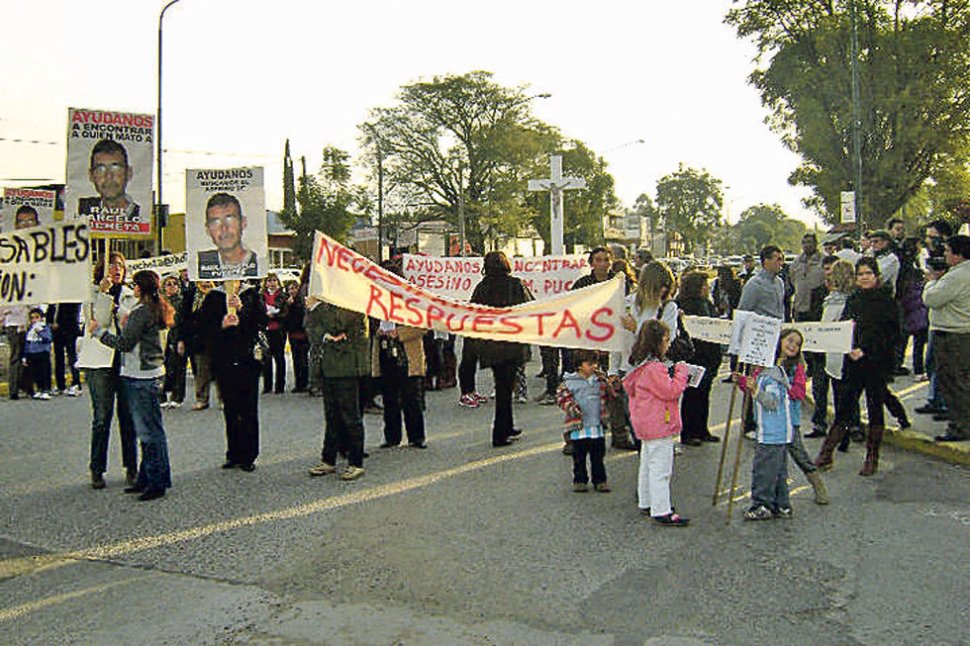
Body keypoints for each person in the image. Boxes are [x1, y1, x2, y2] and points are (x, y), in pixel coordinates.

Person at [88, 270, 172, 501]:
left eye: (134, 284)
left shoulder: (142, 311)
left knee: (149, 433)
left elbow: (124, 343)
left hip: (141, 375)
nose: (132, 287)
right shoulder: (153, 308)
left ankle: (156, 482)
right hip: (151, 372)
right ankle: (146, 477)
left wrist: (98, 332)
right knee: (148, 430)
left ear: (140, 288)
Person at [815, 257, 900, 475]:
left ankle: (872, 457)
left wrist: (866, 350)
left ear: (876, 276)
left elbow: (891, 334)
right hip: (853, 362)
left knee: (875, 409)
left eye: (868, 273)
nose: (864, 278)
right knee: (844, 408)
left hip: (876, 363)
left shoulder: (887, 301)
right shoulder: (853, 299)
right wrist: (849, 347)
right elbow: (845, 326)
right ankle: (826, 453)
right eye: (860, 274)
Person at [76, 251, 138, 490]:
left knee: (128, 417)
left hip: (125, 360)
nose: (116, 269)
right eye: (111, 265)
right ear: (101, 269)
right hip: (100, 362)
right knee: (102, 417)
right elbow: (98, 322)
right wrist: (103, 295)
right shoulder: (91, 293)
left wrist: (118, 307)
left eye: (120, 265)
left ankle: (131, 467)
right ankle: (97, 468)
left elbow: (130, 323)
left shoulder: (130, 295)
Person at [623, 319, 690, 526]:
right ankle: (661, 509)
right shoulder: (655, 368)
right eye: (666, 340)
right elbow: (671, 391)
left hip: (645, 422)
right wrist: (682, 372)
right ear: (657, 342)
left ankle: (647, 501)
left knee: (647, 464)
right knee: (661, 468)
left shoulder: (640, 366)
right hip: (660, 422)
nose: (668, 344)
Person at [198, 281, 267, 472]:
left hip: (248, 359)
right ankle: (233, 453)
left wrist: (242, 310)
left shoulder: (251, 294)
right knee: (230, 408)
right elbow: (203, 327)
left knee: (248, 408)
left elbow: (262, 322)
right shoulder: (213, 296)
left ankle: (249, 455)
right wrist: (221, 324)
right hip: (224, 359)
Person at [470, 251, 534, 447]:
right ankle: (499, 433)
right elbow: (530, 307)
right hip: (513, 343)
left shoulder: (483, 287)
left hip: (492, 346)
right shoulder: (516, 284)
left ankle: (507, 426)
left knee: (502, 388)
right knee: (506, 389)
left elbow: (474, 312)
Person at [307, 301, 370, 480]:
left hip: (347, 368)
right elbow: (311, 329)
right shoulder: (325, 306)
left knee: (351, 417)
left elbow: (337, 325)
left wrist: (316, 309)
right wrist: (323, 331)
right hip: (328, 367)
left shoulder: (350, 304)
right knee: (332, 416)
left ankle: (356, 462)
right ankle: (328, 460)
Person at [734, 337, 795, 521]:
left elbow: (771, 402)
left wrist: (755, 391)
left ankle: (762, 505)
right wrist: (743, 382)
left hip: (771, 433)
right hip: (776, 432)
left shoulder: (770, 378)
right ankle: (782, 504)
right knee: (777, 471)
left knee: (764, 471)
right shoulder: (768, 374)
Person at [922, 234, 970, 442]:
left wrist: (931, 282)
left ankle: (960, 426)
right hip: (962, 334)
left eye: (948, 251)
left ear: (959, 254)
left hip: (953, 335)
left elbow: (931, 299)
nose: (945, 255)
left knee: (953, 382)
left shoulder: (957, 276)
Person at [556, 349, 617, 493]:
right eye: (589, 364)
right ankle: (580, 480)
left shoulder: (599, 381)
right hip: (579, 427)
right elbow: (561, 398)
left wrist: (608, 383)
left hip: (596, 426)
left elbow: (610, 395)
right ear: (579, 365)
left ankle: (600, 480)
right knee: (579, 457)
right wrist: (572, 407)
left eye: (595, 363)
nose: (594, 366)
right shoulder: (570, 382)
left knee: (598, 456)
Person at [676, 271, 722, 445]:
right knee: (692, 396)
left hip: (709, 357)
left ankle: (702, 429)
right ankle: (689, 433)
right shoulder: (684, 305)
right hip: (694, 356)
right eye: (704, 286)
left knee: (703, 395)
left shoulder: (706, 304)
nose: (707, 289)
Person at [374, 317, 428, 449]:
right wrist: (377, 331)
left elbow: (423, 327)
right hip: (386, 354)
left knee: (411, 398)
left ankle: (416, 437)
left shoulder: (411, 306)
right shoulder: (378, 308)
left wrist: (400, 333)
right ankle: (392, 437)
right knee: (389, 399)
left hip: (407, 358)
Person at [197, 193, 258, 279]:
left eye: (230, 219)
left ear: (243, 223)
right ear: (207, 229)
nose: (224, 228)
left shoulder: (260, 262)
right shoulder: (200, 263)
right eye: (215, 222)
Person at [78, 139, 140, 221]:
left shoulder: (144, 214)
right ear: (91, 175)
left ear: (129, 173)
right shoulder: (82, 210)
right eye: (100, 169)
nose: (108, 176)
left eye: (116, 168)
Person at [160, 275, 187, 408]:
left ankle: (177, 397)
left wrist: (182, 339)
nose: (172, 286)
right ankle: (161, 396)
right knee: (162, 368)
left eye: (174, 284)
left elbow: (184, 322)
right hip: (162, 337)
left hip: (177, 337)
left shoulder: (182, 302)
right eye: (168, 284)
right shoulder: (160, 301)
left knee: (178, 368)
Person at [47, 300, 82, 396]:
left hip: (69, 330)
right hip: (57, 332)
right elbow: (50, 311)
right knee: (58, 358)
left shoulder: (70, 299)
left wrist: (59, 323)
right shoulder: (54, 300)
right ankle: (60, 384)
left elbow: (71, 314)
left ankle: (76, 383)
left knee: (71, 357)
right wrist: (50, 322)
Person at [260, 273, 287, 394]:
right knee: (266, 358)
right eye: (269, 281)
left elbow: (285, 313)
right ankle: (267, 386)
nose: (272, 283)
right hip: (265, 329)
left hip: (278, 330)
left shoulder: (283, 296)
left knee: (279, 357)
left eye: (274, 280)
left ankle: (280, 386)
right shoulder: (261, 296)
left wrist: (275, 315)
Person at [21, 307, 53, 400]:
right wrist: (25, 356)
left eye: (37, 317)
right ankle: (39, 388)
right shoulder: (30, 329)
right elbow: (27, 343)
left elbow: (48, 339)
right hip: (32, 353)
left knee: (44, 372)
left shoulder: (45, 328)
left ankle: (46, 390)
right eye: (32, 318)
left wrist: (40, 332)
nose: (34, 320)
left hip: (42, 352)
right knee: (36, 373)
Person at [284, 280, 309, 393]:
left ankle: (305, 382)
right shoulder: (287, 302)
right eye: (290, 289)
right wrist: (288, 306)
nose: (292, 291)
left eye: (294, 288)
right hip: (292, 333)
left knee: (304, 358)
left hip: (302, 333)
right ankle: (298, 383)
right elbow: (286, 317)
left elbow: (302, 315)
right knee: (296, 359)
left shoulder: (302, 302)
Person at [867, 230, 900, 296]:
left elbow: (879, 278)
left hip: (883, 295)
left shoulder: (892, 259)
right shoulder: (870, 255)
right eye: (871, 242)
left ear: (885, 242)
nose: (873, 245)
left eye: (876, 241)